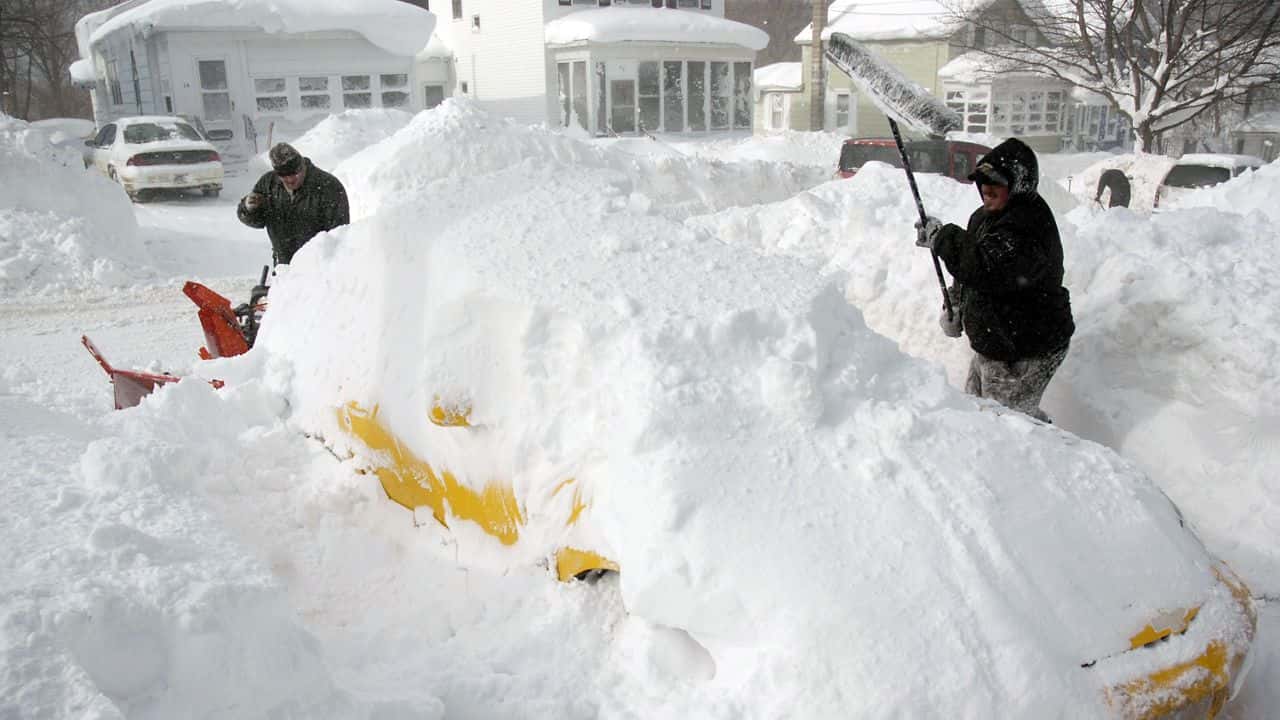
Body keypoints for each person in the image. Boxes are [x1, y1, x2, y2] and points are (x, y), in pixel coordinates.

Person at [914, 138, 1074, 422]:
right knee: (977, 413)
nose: (985, 189)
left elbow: (987, 267)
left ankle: (1048, 455)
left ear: (1018, 186)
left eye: (995, 183)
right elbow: (970, 272)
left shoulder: (1027, 226)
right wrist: (954, 306)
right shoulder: (986, 216)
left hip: (1024, 350)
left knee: (1009, 426)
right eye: (982, 182)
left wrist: (944, 239)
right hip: (998, 342)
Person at [237, 142, 350, 266]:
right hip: (283, 267)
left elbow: (339, 235)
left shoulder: (328, 187)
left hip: (318, 268)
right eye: (284, 176)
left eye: (294, 173)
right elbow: (257, 221)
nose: (290, 180)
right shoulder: (268, 184)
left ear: (302, 165)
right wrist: (249, 209)